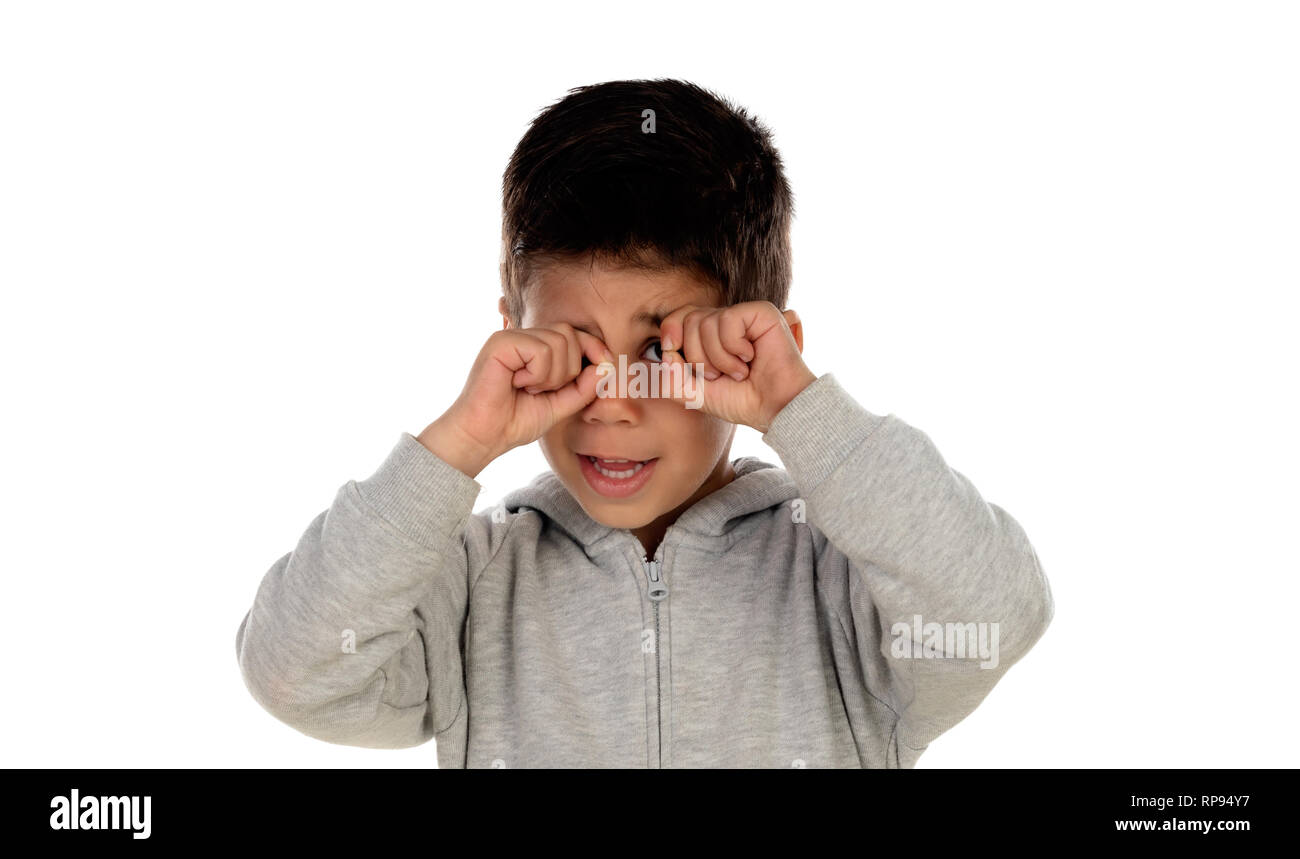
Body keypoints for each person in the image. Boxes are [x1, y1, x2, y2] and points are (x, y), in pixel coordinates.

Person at [235, 79, 1054, 768]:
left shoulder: (841, 582)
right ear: (513, 334)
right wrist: (457, 444)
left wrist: (802, 411)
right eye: (574, 352)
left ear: (764, 347)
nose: (612, 402)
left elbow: (996, 610)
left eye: (661, 349)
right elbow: (292, 672)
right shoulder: (472, 583)